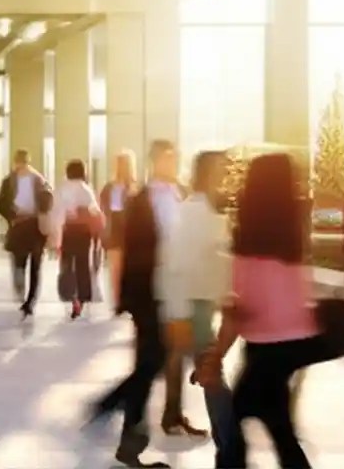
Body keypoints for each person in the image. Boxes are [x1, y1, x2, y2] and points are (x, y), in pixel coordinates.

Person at [196, 153, 326, 469]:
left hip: (265, 350)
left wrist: (215, 356)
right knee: (278, 428)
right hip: (294, 346)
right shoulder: (292, 234)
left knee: (236, 427)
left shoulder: (249, 236)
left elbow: (240, 308)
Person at [87, 139, 178, 468]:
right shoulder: (144, 199)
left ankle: (126, 434)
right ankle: (112, 408)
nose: (174, 164)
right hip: (149, 296)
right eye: (169, 159)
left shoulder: (171, 195)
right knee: (151, 362)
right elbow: (134, 248)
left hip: (163, 293)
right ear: (156, 161)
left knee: (150, 363)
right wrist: (127, 297)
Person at [159, 151, 234, 464]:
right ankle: (231, 448)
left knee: (211, 376)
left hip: (199, 307)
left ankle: (229, 447)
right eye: (222, 171)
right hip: (191, 308)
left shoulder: (204, 211)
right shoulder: (191, 213)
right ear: (207, 175)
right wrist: (178, 316)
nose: (226, 178)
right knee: (212, 376)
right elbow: (174, 266)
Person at [0, 149, 52, 319]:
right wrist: (11, 216)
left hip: (35, 224)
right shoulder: (9, 181)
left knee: (35, 265)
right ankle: (20, 287)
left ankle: (30, 301)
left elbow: (48, 199)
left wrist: (42, 209)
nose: (21, 167)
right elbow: (2, 204)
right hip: (18, 223)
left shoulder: (39, 180)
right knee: (18, 261)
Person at [55, 159, 102, 321]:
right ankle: (83, 295)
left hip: (68, 230)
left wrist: (56, 236)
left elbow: (58, 212)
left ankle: (68, 293)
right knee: (82, 263)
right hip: (83, 231)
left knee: (67, 263)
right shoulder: (85, 189)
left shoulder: (63, 189)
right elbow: (94, 211)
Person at [100, 150, 138, 309]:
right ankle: (117, 301)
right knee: (115, 268)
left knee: (129, 270)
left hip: (130, 229)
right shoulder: (110, 187)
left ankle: (128, 300)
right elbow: (103, 206)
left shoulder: (135, 187)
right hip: (114, 228)